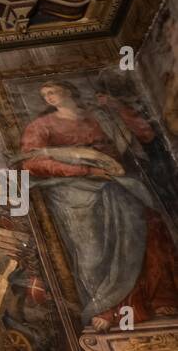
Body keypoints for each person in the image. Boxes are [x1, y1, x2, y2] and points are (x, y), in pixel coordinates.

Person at [19, 80, 178, 329]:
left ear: (68, 90)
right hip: (77, 191)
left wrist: (117, 107)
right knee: (94, 250)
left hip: (120, 180)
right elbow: (30, 163)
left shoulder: (100, 116)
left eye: (52, 91)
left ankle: (159, 297)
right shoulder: (41, 126)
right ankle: (108, 307)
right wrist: (85, 169)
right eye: (44, 93)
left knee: (151, 230)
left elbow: (145, 134)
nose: (49, 96)